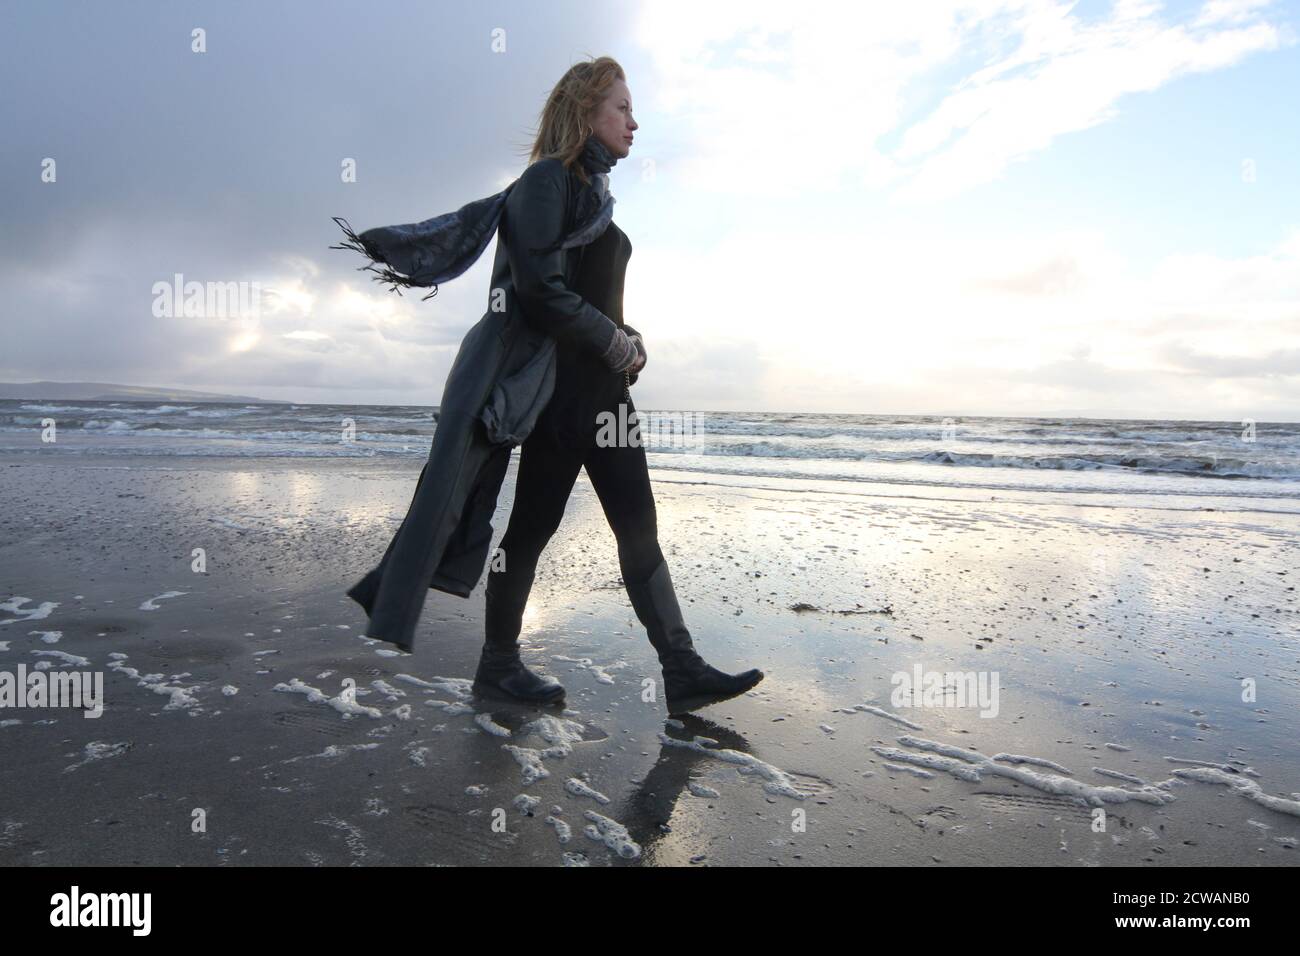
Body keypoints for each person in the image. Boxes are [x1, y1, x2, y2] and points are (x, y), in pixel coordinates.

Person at [473, 57, 764, 715]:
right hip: (560, 403)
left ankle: (682, 669)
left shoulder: (595, 197)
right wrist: (611, 340)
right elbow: (540, 292)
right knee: (530, 530)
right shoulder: (546, 182)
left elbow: (591, 297)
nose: (635, 121)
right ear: (586, 110)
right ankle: (497, 665)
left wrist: (631, 342)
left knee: (640, 531)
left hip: (608, 400)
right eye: (622, 108)